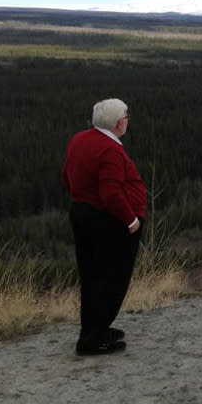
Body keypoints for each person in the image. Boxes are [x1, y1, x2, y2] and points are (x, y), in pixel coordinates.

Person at [61, 98, 146, 356]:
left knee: (92, 276)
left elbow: (66, 175)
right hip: (108, 221)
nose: (128, 121)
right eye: (127, 117)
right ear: (119, 123)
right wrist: (131, 220)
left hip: (84, 214)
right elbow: (111, 192)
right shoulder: (110, 149)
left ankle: (95, 329)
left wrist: (83, 199)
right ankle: (92, 340)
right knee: (111, 278)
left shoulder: (80, 139)